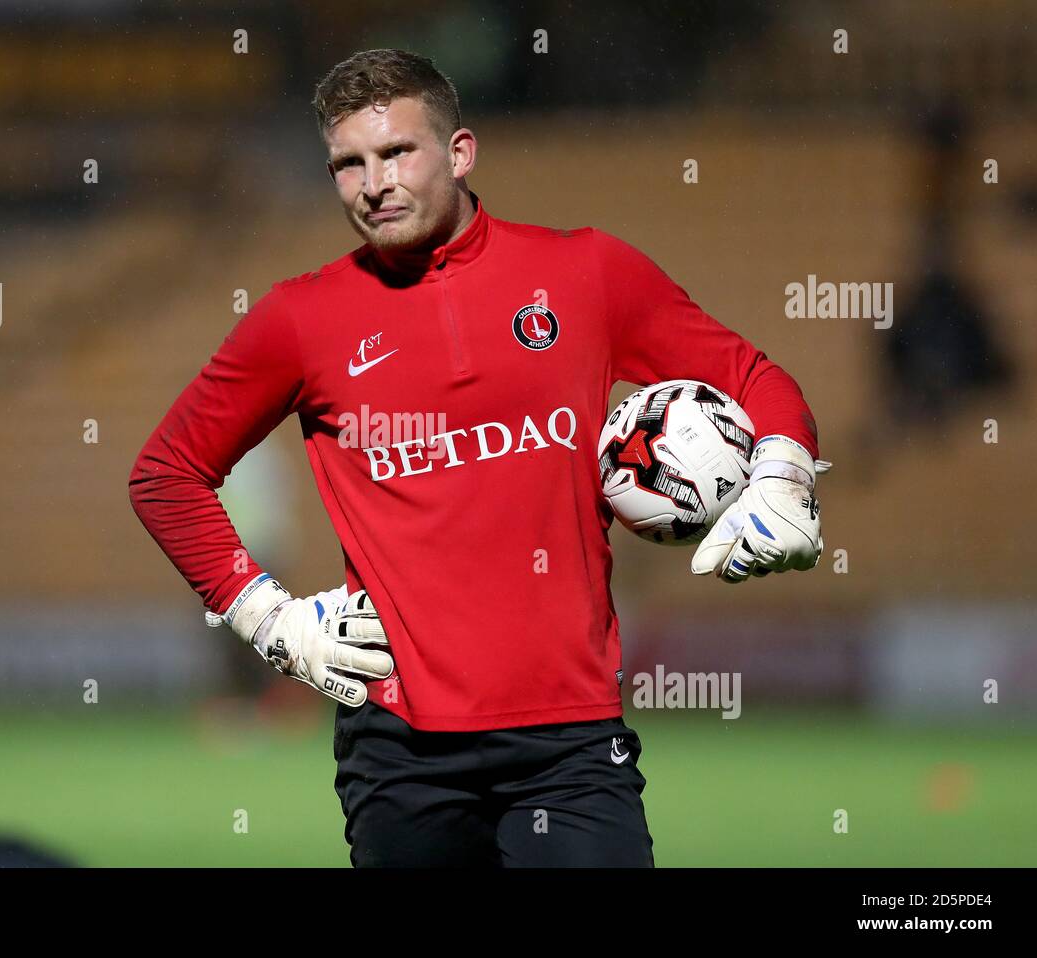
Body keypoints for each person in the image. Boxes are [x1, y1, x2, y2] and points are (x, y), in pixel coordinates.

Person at [129, 49, 825, 867]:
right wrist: (270, 620)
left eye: (397, 152)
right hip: (397, 746)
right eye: (348, 164)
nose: (372, 183)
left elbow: (751, 378)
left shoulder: (585, 273)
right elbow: (166, 474)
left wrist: (784, 472)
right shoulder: (299, 319)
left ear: (460, 153)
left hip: (571, 743)